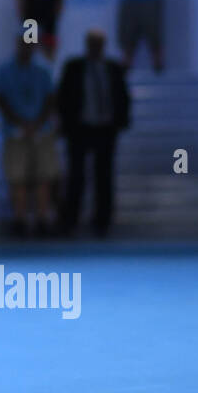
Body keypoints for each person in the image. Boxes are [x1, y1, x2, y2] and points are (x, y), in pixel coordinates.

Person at [56, 29, 131, 237]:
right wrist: (64, 124)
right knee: (76, 176)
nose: (96, 47)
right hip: (80, 129)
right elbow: (63, 97)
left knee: (104, 176)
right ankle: (70, 220)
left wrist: (121, 122)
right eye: (93, 43)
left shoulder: (114, 68)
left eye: (100, 43)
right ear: (87, 44)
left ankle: (102, 221)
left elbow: (122, 96)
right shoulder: (73, 67)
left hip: (106, 129)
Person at [0, 34, 60, 236]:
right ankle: (19, 220)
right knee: (17, 178)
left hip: (42, 132)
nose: (26, 49)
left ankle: (42, 219)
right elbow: (1, 99)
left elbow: (50, 99)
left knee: (43, 178)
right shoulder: (5, 71)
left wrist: (37, 124)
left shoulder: (43, 71)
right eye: (23, 45)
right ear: (17, 45)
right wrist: (20, 124)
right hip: (15, 133)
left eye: (30, 45)